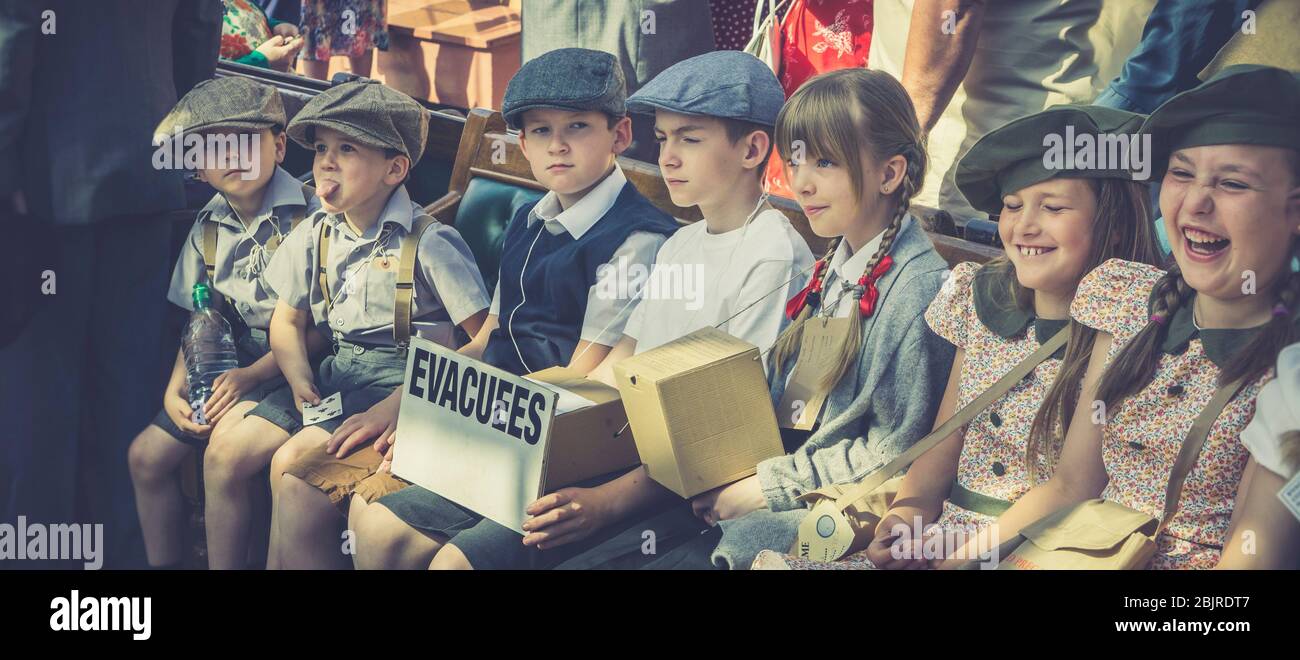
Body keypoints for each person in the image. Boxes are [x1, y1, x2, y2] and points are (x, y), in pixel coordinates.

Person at [278, 49, 679, 569]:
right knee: (301, 482)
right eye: (539, 131)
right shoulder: (529, 219)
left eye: (577, 127)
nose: (556, 145)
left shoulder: (636, 239)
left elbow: (586, 376)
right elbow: (486, 334)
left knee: (376, 522)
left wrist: (447, 430)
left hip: (552, 437)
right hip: (485, 408)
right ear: (523, 143)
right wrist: (408, 403)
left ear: (620, 136)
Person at [759, 105, 1164, 569]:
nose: (1025, 224)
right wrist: (906, 515)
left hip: (1031, 550)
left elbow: (1074, 486)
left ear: (1110, 223)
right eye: (1012, 206)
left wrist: (964, 557)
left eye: (1053, 207)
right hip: (943, 531)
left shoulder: (1121, 324)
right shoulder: (981, 301)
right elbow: (945, 435)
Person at [941, 65, 1300, 570]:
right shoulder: (1130, 303)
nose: (1196, 203)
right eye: (1181, 173)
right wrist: (956, 564)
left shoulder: (1290, 367)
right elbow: (1070, 485)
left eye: (1233, 183)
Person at [0, 0, 222, 568]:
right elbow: (199, 23)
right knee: (128, 394)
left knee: (39, 407)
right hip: (144, 175)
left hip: (42, 189)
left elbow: (13, 40)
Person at [128, 77, 323, 570]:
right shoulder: (209, 226)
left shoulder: (316, 218)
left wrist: (248, 378)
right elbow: (201, 316)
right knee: (146, 456)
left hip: (303, 369)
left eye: (246, 141)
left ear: (279, 146)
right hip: (228, 363)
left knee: (225, 456)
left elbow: (326, 331)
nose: (231, 156)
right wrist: (175, 389)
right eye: (215, 147)